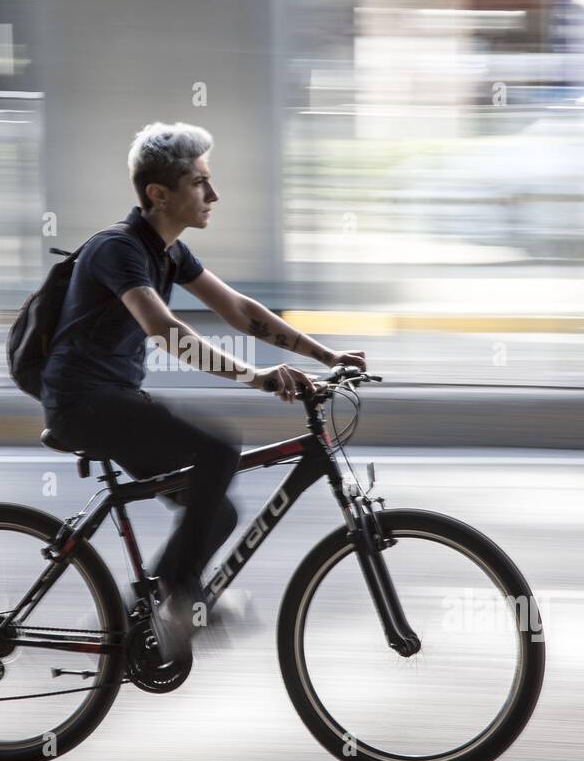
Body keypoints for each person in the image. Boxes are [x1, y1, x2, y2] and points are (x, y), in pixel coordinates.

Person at [40, 121, 365, 662]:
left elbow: (240, 310)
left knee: (216, 513)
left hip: (116, 399)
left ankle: (141, 615)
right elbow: (167, 332)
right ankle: (181, 598)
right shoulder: (117, 250)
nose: (213, 195)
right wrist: (259, 378)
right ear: (158, 194)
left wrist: (324, 355)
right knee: (218, 448)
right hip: (85, 402)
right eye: (199, 183)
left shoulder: (169, 252)